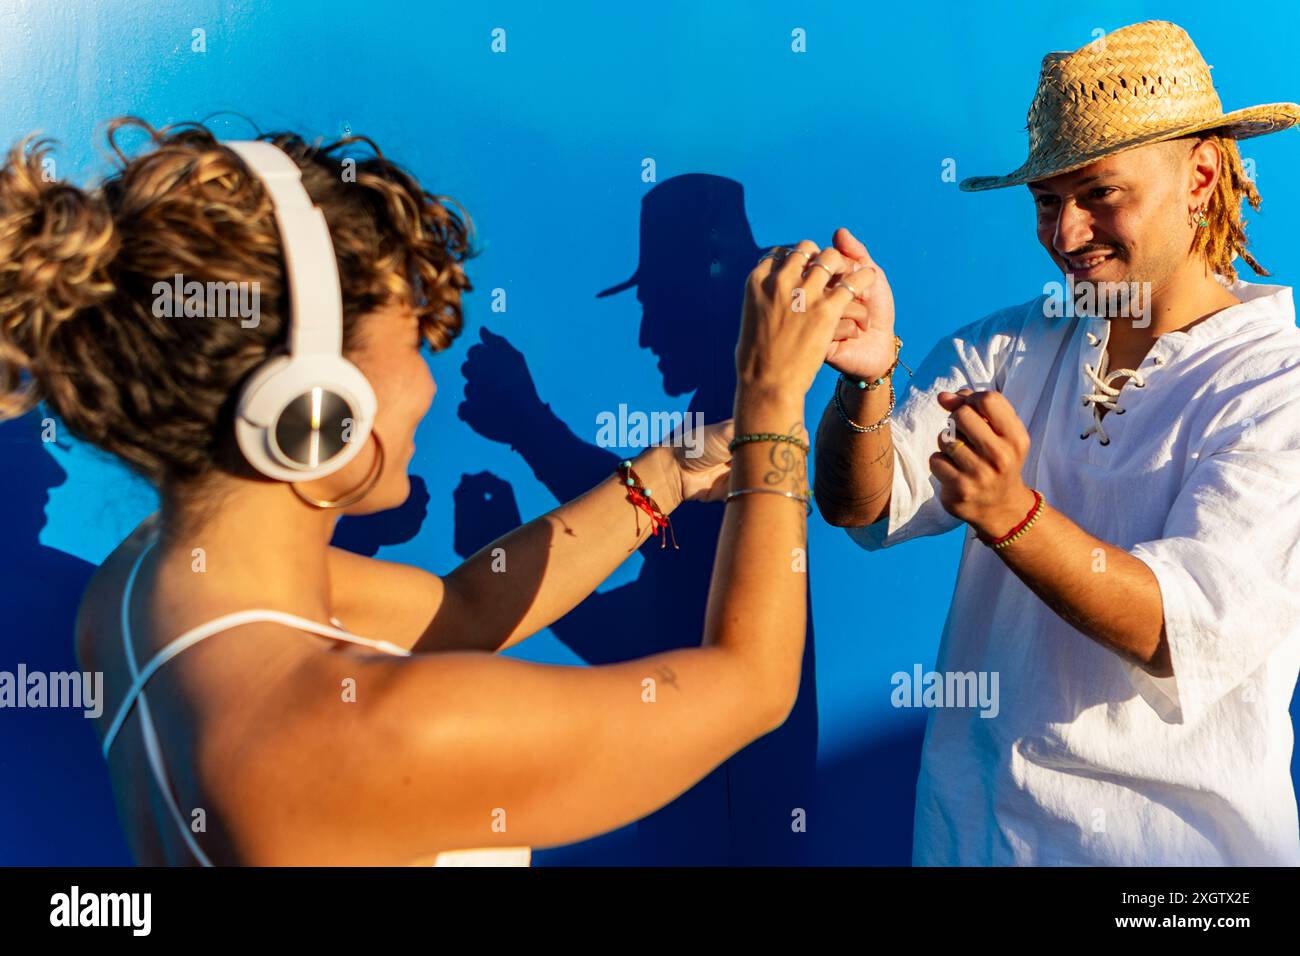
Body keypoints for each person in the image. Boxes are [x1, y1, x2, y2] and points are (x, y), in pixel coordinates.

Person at [0, 117, 864, 865]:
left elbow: (463, 612)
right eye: (413, 343)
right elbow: (750, 689)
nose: (426, 385)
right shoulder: (372, 731)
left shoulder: (138, 587)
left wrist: (672, 472)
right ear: (312, 405)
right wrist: (772, 407)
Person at [814, 20, 1300, 865]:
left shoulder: (1275, 385)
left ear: (1202, 174)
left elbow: (1174, 628)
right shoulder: (1008, 346)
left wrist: (1012, 517)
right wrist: (864, 379)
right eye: (1046, 200)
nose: (1065, 234)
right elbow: (864, 503)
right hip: (977, 844)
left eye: (1099, 193)